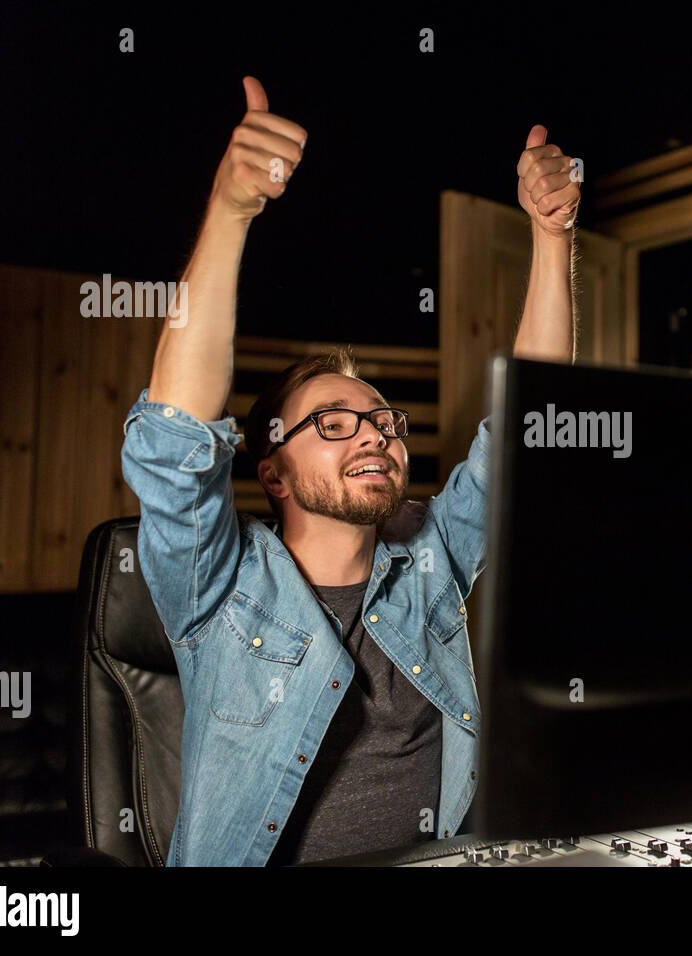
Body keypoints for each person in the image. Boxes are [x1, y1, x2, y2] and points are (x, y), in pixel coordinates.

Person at [120, 76, 580, 866]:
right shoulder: (216, 583)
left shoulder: (428, 553)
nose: (373, 436)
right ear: (274, 471)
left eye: (383, 421)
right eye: (331, 424)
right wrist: (232, 212)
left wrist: (552, 238)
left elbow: (527, 430)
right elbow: (175, 435)